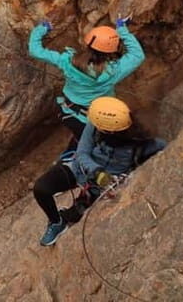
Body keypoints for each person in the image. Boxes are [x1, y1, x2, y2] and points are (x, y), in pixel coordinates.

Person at [33, 96, 166, 246]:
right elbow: (82, 152)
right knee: (41, 188)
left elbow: (162, 146)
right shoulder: (95, 126)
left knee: (77, 213)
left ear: (109, 130)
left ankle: (74, 210)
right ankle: (57, 222)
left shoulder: (140, 143)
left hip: (105, 185)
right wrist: (96, 171)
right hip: (81, 169)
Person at [29, 17, 145, 145]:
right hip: (100, 119)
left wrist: (42, 29)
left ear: (87, 43)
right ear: (112, 50)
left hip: (69, 114)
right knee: (104, 143)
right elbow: (137, 55)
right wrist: (122, 29)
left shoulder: (67, 61)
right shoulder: (113, 72)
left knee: (84, 142)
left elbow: (35, 51)